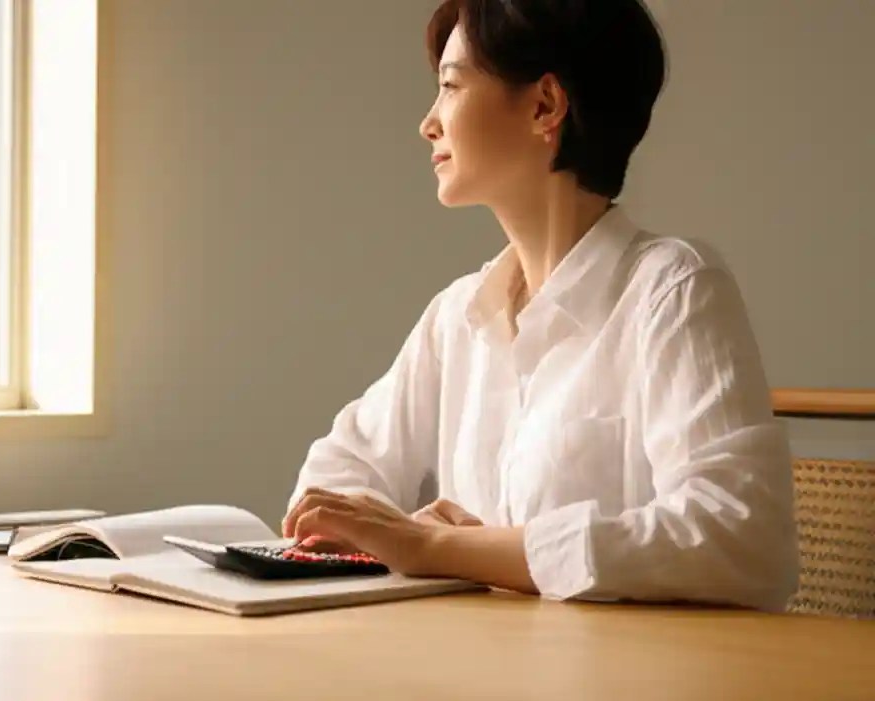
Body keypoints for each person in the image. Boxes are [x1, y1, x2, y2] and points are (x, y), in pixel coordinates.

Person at [281, 0, 798, 611]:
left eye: (450, 87)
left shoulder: (673, 290)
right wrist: (402, 534)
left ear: (545, 106)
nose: (428, 122)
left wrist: (438, 549)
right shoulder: (458, 317)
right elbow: (327, 489)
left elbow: (741, 539)